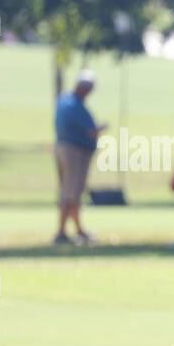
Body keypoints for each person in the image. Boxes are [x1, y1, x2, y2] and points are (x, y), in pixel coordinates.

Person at [53, 70, 106, 245]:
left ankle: (77, 229)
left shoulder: (64, 101)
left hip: (63, 148)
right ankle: (62, 231)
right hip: (74, 152)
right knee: (71, 192)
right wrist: (101, 129)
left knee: (69, 191)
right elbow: (91, 131)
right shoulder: (75, 105)